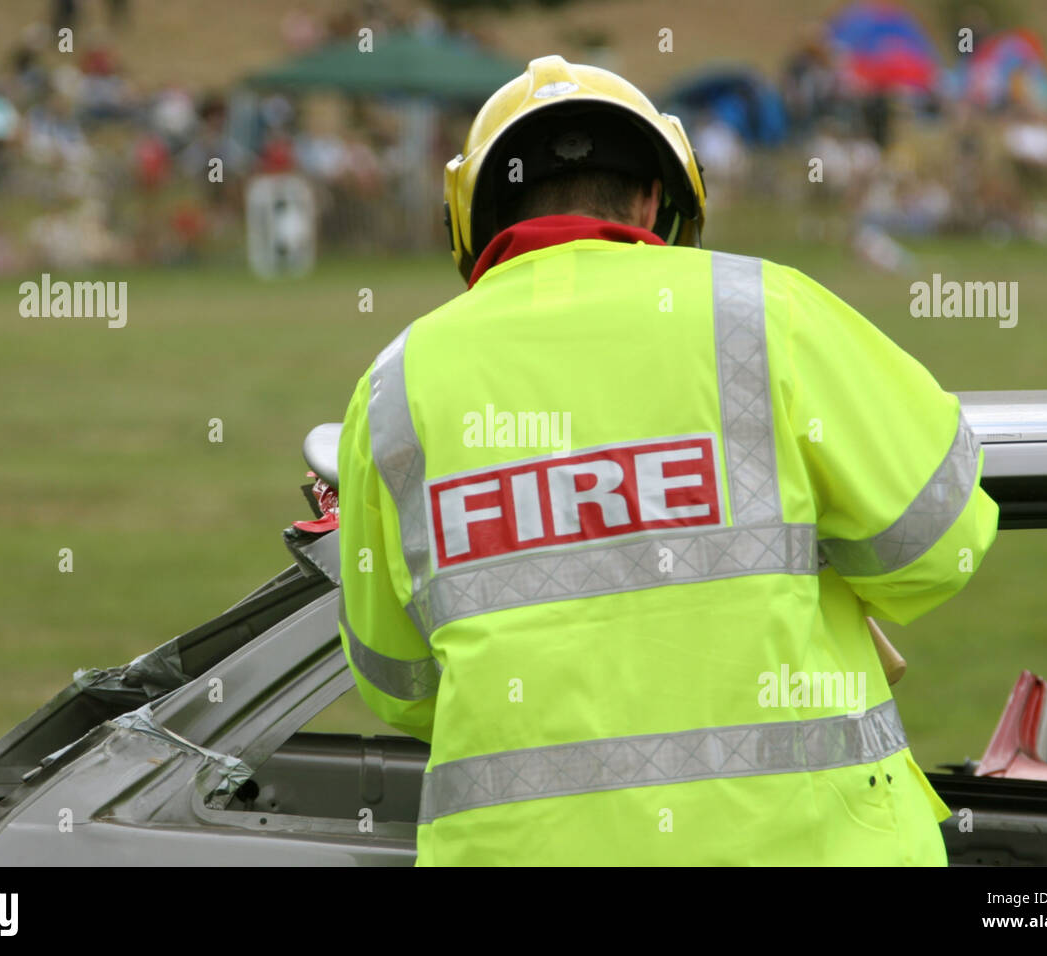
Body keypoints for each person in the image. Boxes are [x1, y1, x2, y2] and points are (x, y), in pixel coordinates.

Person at [336, 55, 998, 865]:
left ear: (476, 216)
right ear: (659, 197)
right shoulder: (767, 312)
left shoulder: (396, 386)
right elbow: (940, 546)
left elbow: (398, 683)